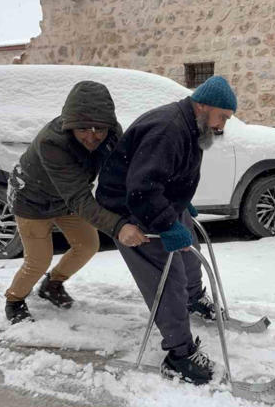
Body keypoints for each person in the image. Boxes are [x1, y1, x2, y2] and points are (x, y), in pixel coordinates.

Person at [95, 76, 236, 385]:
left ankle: (193, 298)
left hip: (155, 201)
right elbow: (142, 190)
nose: (223, 125)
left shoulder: (191, 124)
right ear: (203, 105)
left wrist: (183, 204)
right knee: (167, 276)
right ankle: (179, 355)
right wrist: (167, 223)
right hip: (131, 209)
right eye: (222, 117)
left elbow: (169, 175)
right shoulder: (169, 129)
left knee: (189, 254)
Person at [4, 81, 148, 324]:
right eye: (83, 128)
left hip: (66, 197)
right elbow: (80, 198)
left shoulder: (112, 133)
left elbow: (124, 171)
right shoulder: (52, 143)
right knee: (38, 259)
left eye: (99, 129)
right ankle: (14, 300)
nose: (92, 137)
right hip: (32, 200)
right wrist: (118, 226)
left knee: (88, 244)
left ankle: (53, 284)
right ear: (70, 124)